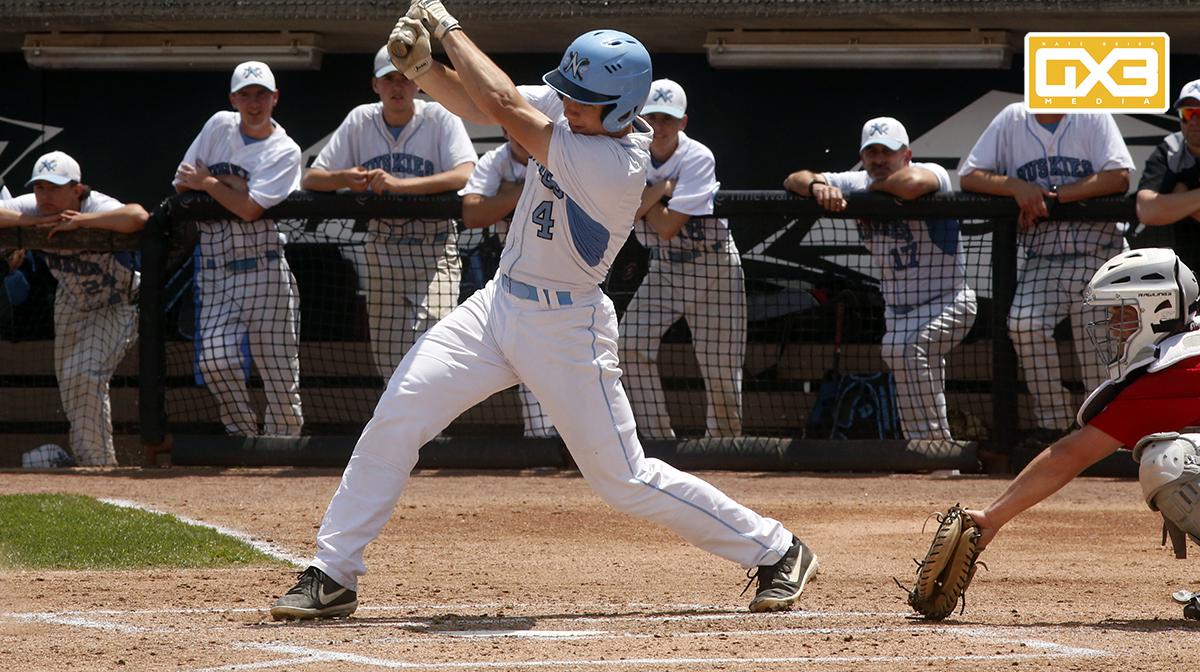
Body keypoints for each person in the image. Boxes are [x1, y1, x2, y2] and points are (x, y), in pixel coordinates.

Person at [271, 5, 817, 620]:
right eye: (569, 93)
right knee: (398, 414)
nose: (568, 102)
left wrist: (446, 29)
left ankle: (776, 549)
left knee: (623, 480)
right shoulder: (574, 107)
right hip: (498, 304)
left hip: (567, 328)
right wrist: (423, 68)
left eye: (583, 99)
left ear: (619, 107)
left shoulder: (616, 163)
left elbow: (503, 104)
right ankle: (334, 572)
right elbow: (480, 105)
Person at [964, 248, 1200, 619]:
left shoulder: (1175, 372)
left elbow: (1071, 455)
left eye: (1123, 313)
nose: (1112, 325)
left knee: (1170, 463)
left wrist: (992, 518)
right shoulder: (1184, 351)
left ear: (1160, 309)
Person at [783, 117, 976, 441]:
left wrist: (864, 191)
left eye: (887, 151)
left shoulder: (933, 173)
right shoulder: (856, 180)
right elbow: (794, 179)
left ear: (906, 154)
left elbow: (911, 185)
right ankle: (931, 449)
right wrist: (819, 187)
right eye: (871, 152)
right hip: (899, 311)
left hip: (949, 300)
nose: (878, 159)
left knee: (901, 349)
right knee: (907, 360)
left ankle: (935, 446)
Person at [959, 103, 1133, 438]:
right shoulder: (1012, 118)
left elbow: (1118, 177)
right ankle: (1054, 422)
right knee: (1024, 324)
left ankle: (1101, 431)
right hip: (1045, 258)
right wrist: (1016, 187)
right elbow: (969, 176)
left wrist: (1053, 198)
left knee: (1097, 347)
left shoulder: (1091, 115)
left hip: (1099, 255)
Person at [304, 46, 477, 381]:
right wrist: (345, 178)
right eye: (389, 79)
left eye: (405, 78)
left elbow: (465, 173)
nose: (397, 87)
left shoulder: (439, 117)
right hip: (383, 250)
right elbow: (311, 178)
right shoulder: (359, 120)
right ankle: (407, 431)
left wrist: (399, 187)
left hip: (433, 250)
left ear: (418, 84)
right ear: (375, 85)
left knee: (436, 345)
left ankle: (431, 429)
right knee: (391, 359)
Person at [173, 61, 304, 437]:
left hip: (264, 270)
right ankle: (243, 436)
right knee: (215, 360)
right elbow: (183, 184)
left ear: (275, 98)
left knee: (280, 374)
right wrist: (227, 186)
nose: (254, 102)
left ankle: (288, 451)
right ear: (233, 98)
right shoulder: (218, 126)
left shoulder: (285, 149)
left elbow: (249, 209)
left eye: (261, 94)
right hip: (215, 267)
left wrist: (210, 182)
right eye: (245, 94)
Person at [0, 151, 148, 466]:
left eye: (53, 187)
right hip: (71, 301)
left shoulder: (96, 205)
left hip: (117, 301)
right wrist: (31, 222)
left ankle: (96, 465)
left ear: (77, 189)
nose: (45, 195)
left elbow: (139, 216)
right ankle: (94, 459)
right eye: (40, 187)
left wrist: (82, 222)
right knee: (71, 384)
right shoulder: (35, 206)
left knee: (83, 374)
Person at [618, 78, 745, 441]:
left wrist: (645, 200)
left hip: (715, 265)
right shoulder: (629, 154)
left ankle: (725, 445)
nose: (658, 127)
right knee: (628, 345)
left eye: (667, 119)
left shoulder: (697, 156)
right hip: (666, 268)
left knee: (721, 369)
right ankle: (658, 441)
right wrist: (660, 191)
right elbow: (623, 215)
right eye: (652, 117)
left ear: (682, 123)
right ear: (638, 118)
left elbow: (669, 225)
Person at [459, 131, 557, 438]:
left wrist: (505, 194)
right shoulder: (496, 160)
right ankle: (542, 441)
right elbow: (473, 213)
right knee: (530, 358)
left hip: (565, 270)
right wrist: (527, 188)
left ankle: (583, 446)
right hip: (519, 272)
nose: (520, 134)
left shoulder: (561, 154)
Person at [1135, 78, 1200, 274]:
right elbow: (1146, 210)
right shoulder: (1169, 149)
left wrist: (1179, 198)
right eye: (1187, 114)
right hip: (1181, 272)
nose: (1194, 121)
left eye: (1199, 113)